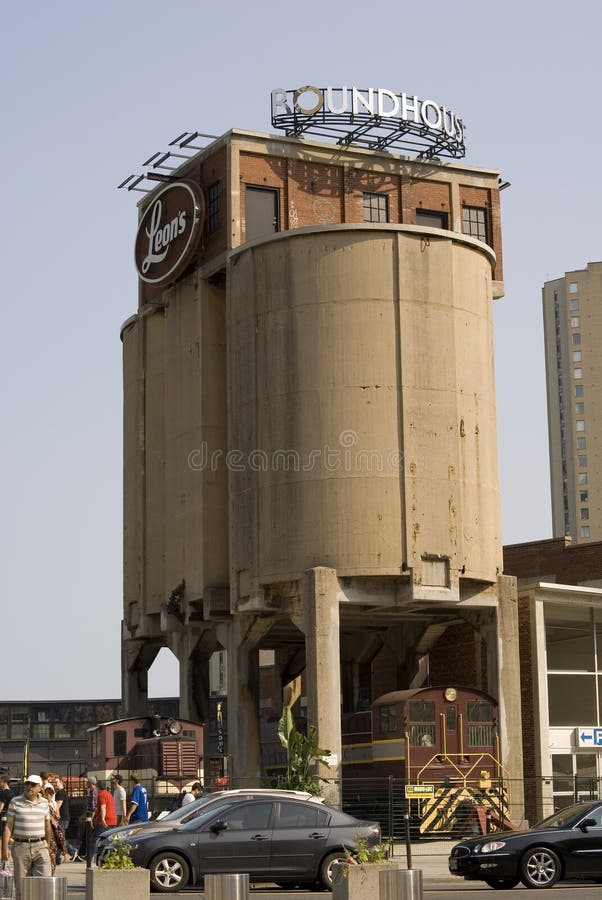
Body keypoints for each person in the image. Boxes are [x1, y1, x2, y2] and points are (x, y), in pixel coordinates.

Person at [1, 775, 52, 900]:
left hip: (40, 846)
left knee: (45, 882)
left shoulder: (44, 803)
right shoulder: (15, 801)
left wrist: (48, 845)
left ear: (40, 788)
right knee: (22, 886)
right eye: (27, 783)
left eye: (33, 785)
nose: (29, 786)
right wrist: (4, 848)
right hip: (20, 847)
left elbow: (47, 826)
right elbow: (8, 826)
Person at [90, 780, 117, 863]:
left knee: (96, 839)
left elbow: (103, 807)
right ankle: (110, 857)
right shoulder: (109, 794)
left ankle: (90, 857)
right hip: (113, 820)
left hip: (105, 821)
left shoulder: (101, 795)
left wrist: (102, 819)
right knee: (110, 840)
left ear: (98, 787)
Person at [43, 784, 66, 873]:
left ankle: (51, 871)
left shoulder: (53, 804)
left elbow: (58, 816)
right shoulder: (42, 804)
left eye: (49, 795)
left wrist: (54, 817)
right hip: (46, 832)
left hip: (52, 831)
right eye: (46, 794)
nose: (47, 797)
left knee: (52, 853)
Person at [52, 777, 77, 861]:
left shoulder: (61, 793)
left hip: (62, 818)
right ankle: (58, 857)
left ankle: (72, 851)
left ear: (61, 782)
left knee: (60, 838)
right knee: (59, 838)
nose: (55, 784)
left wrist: (54, 814)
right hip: (63, 818)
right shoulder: (60, 792)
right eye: (54, 783)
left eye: (56, 782)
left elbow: (58, 805)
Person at [0, 777, 14, 843]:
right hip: (10, 817)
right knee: (7, 836)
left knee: (2, 837)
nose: (0, 783)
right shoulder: (12, 793)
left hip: (3, 817)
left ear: (5, 782)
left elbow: (1, 807)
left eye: (1, 782)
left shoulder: (3, 793)